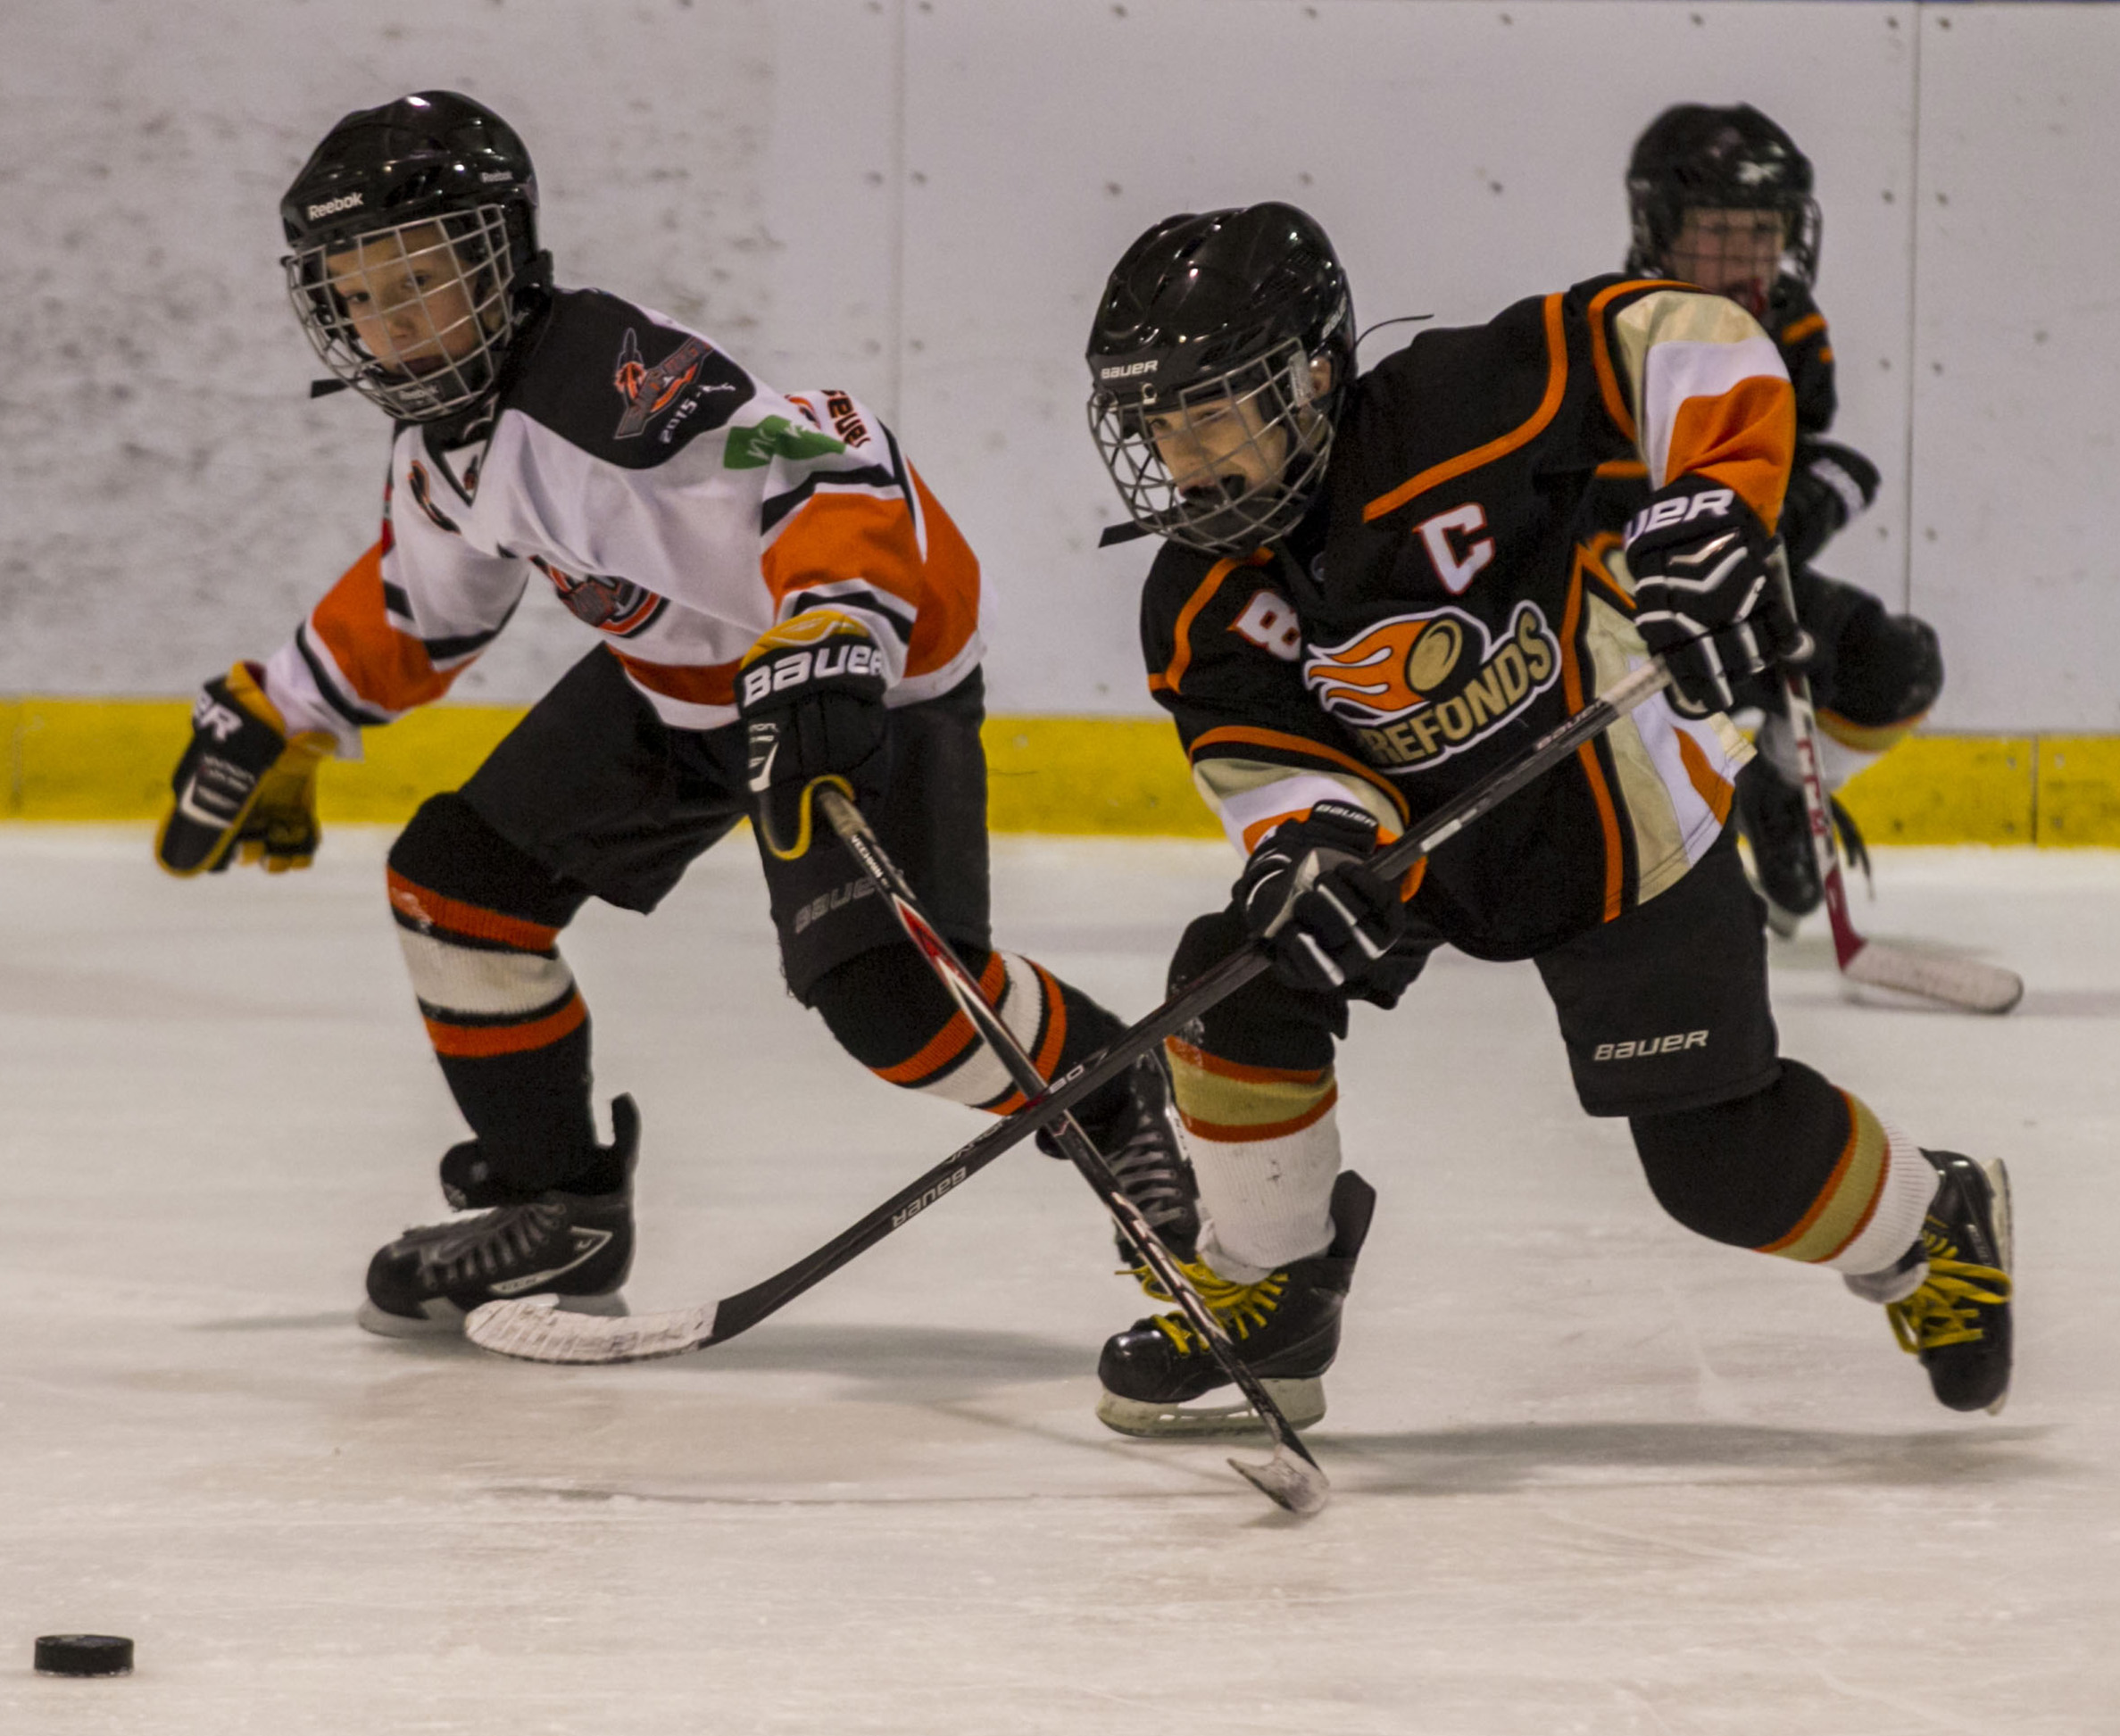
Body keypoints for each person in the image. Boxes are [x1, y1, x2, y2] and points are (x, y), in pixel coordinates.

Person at [156, 90, 1196, 1334]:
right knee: (458, 886)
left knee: (898, 1006)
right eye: (359, 294)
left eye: (419, 278)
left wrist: (835, 622)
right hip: (680, 682)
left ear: (502, 259)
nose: (389, 323)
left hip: (856, 670)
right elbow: (424, 608)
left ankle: (1117, 1099)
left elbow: (832, 457)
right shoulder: (445, 442)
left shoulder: (603, 386)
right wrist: (278, 710)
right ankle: (564, 1212)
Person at [1079, 202, 2012, 1437]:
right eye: (1154, 421)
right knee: (1235, 977)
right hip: (1423, 849)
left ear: (1310, 377)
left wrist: (1717, 502)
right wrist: (1313, 851)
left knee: (1719, 1171)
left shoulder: (1460, 403)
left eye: (1207, 411)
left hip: (1614, 821)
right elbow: (1273, 765)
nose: (1180, 456)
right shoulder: (1197, 596)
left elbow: (1692, 333)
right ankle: (1271, 1295)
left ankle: (1927, 1226)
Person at [1614, 104, 1945, 930]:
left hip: (1749, 590)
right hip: (1631, 621)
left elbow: (1801, 453)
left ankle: (1782, 793)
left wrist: (1807, 507)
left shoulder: (1788, 319)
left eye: (1763, 228)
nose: (1747, 254)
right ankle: (1712, 809)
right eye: (1719, 228)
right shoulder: (1613, 330)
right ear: (1660, 228)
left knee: (1895, 665)